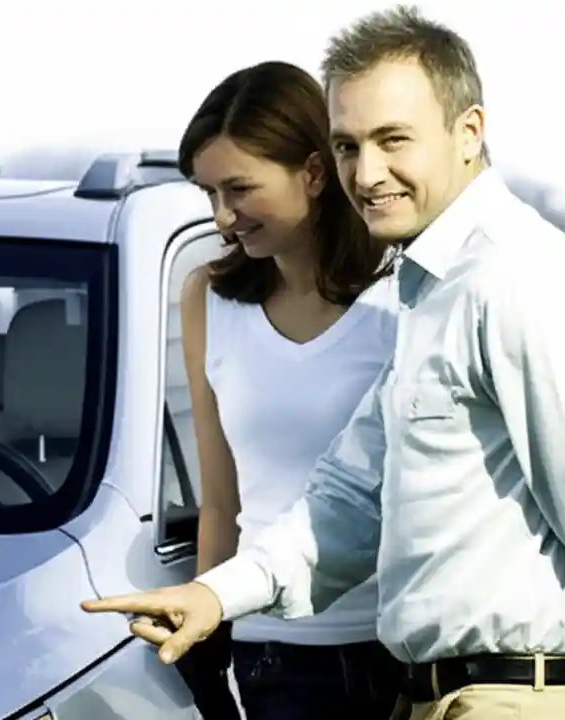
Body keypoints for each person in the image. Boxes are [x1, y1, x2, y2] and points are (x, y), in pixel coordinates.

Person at [84, 5, 565, 718]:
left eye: (392, 140)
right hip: (436, 694)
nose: (366, 172)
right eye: (349, 145)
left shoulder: (517, 280)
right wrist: (211, 598)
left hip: (515, 697)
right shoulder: (432, 294)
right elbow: (344, 506)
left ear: (469, 132)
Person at [168, 60, 402, 720]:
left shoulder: (405, 298)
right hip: (275, 655)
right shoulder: (208, 299)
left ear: (315, 171)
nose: (222, 217)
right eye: (208, 194)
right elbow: (222, 502)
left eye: (239, 189)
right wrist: (206, 643)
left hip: (406, 653)